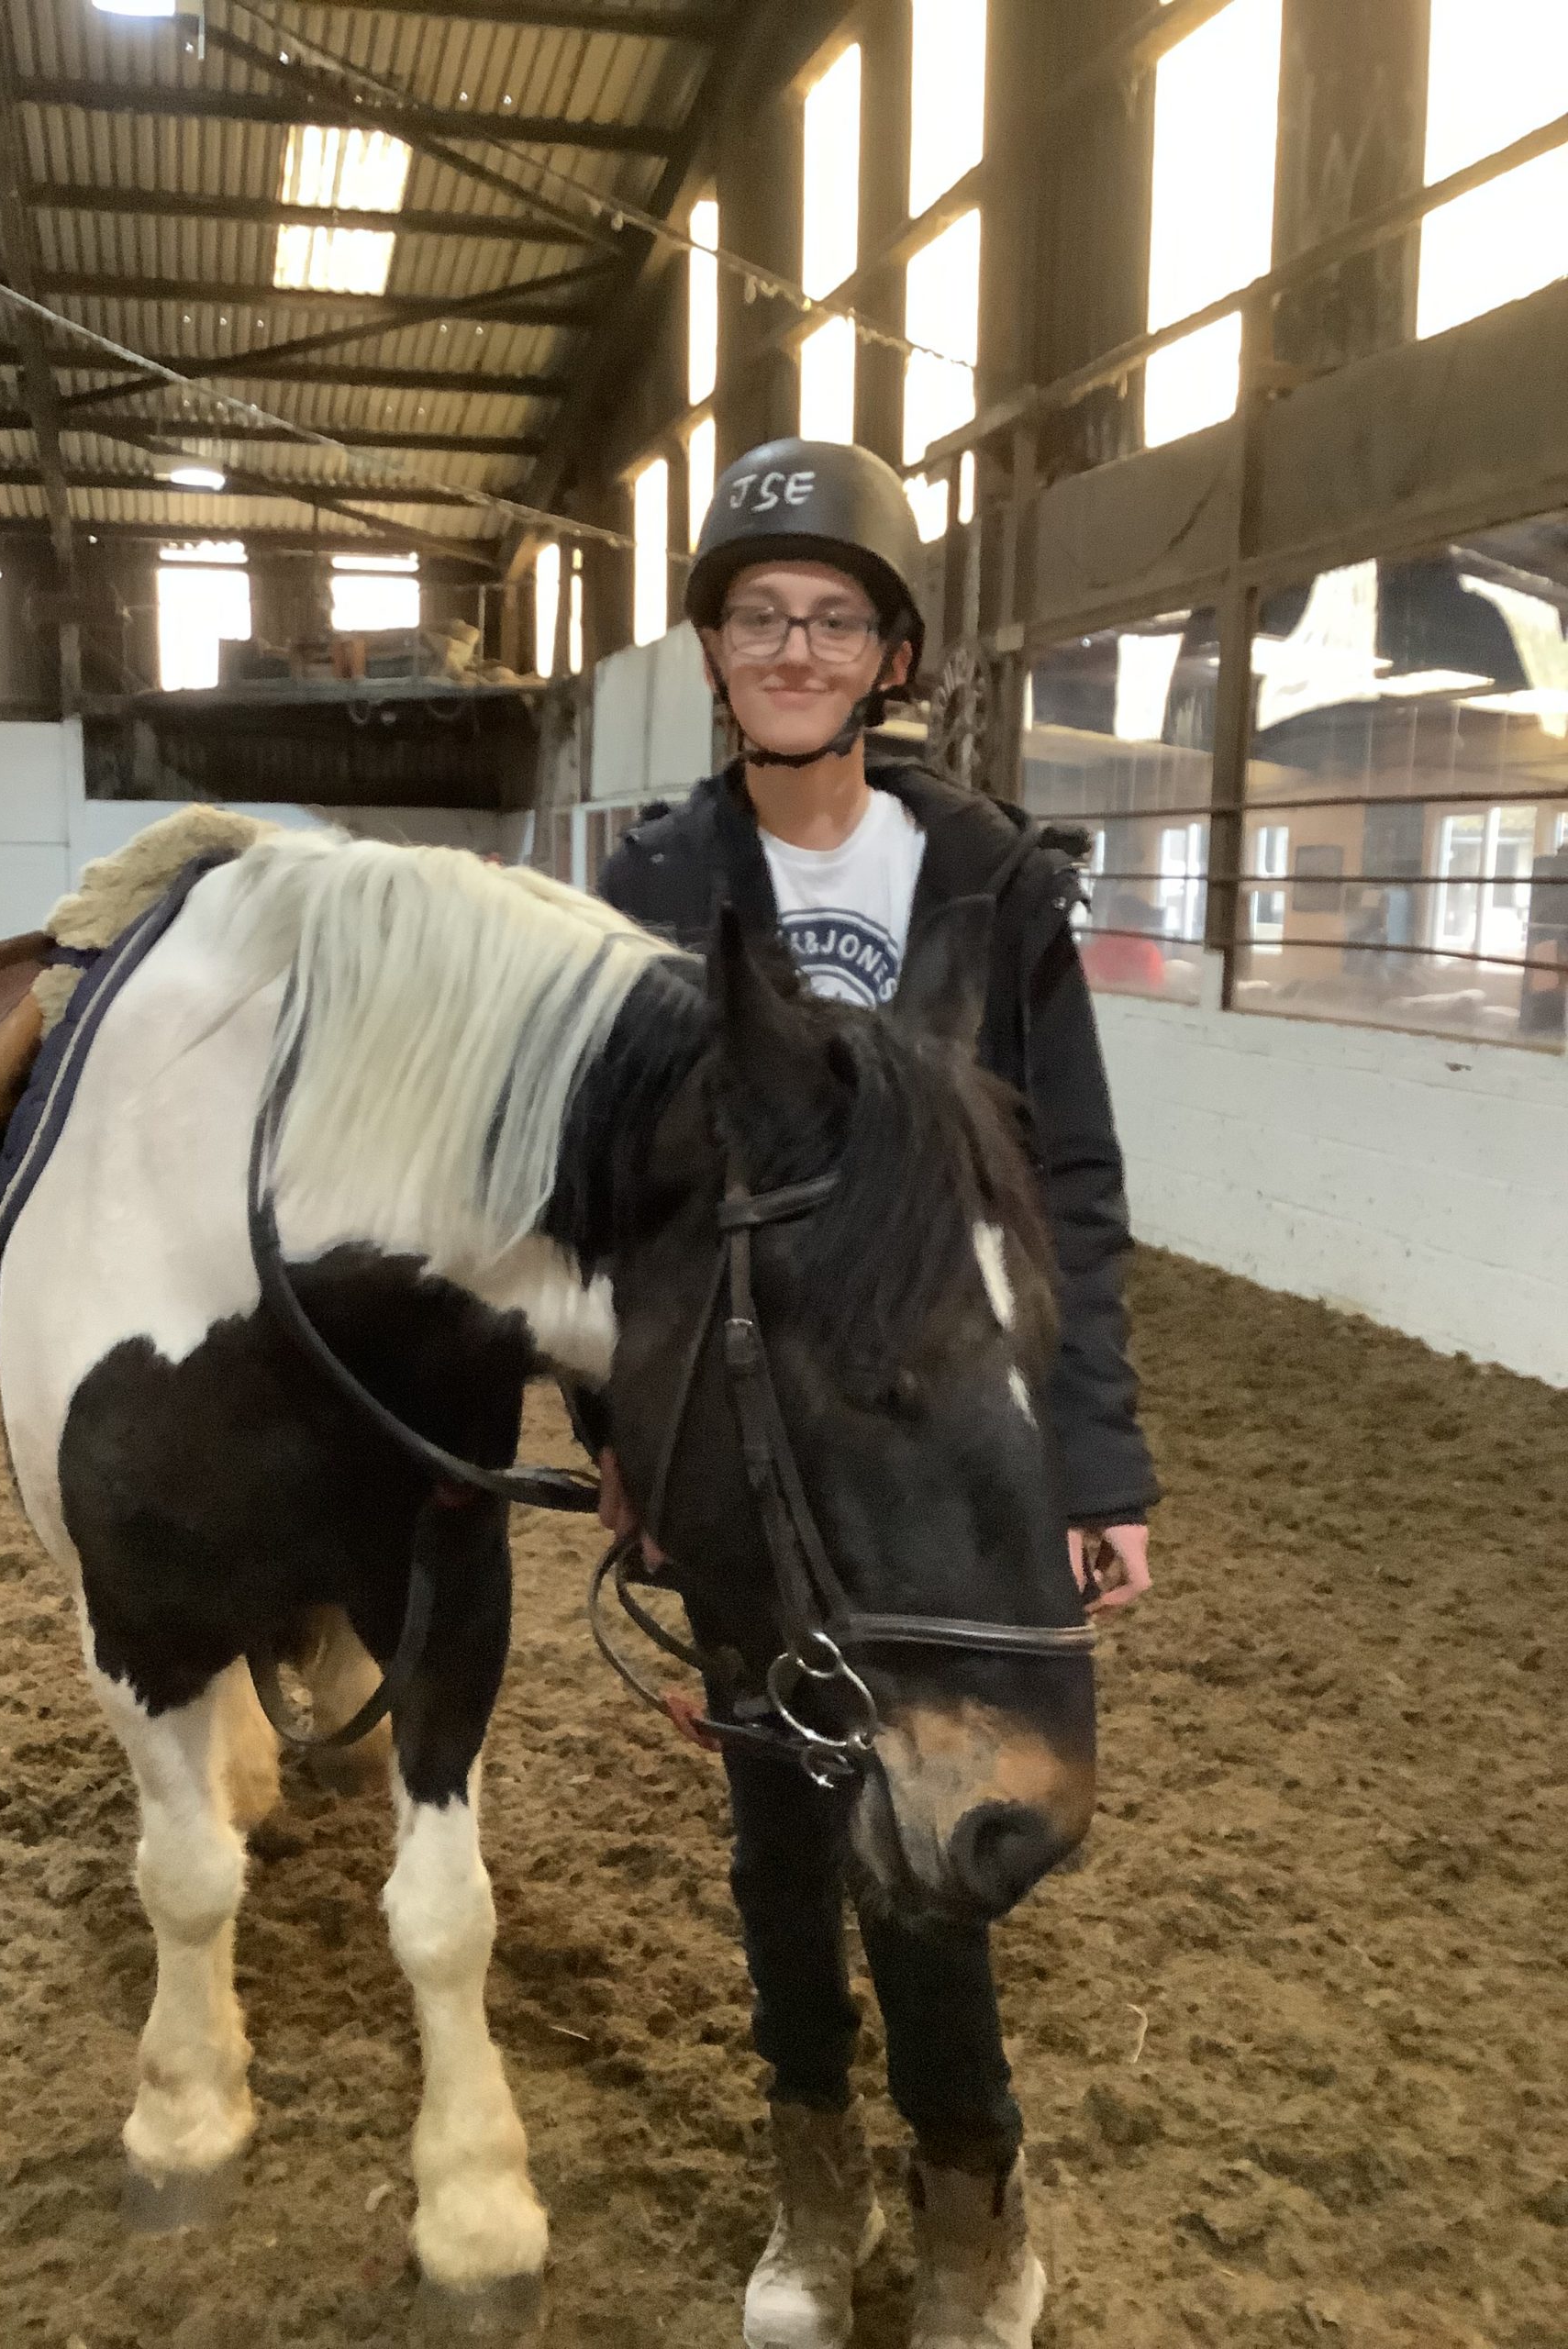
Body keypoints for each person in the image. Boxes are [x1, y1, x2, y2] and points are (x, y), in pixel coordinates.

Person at [595, 437, 1157, 2349]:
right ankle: (811, 2189)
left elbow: (1071, 1180)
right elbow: (610, 1203)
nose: (794, 648)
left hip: (941, 1430)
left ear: (891, 655)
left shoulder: (989, 882)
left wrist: (1099, 1460)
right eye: (760, 616)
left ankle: (976, 2202)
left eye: (833, 619)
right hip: (752, 1428)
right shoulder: (654, 881)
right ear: (716, 648)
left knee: (932, 1815)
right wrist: (619, 1444)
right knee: (776, 1822)